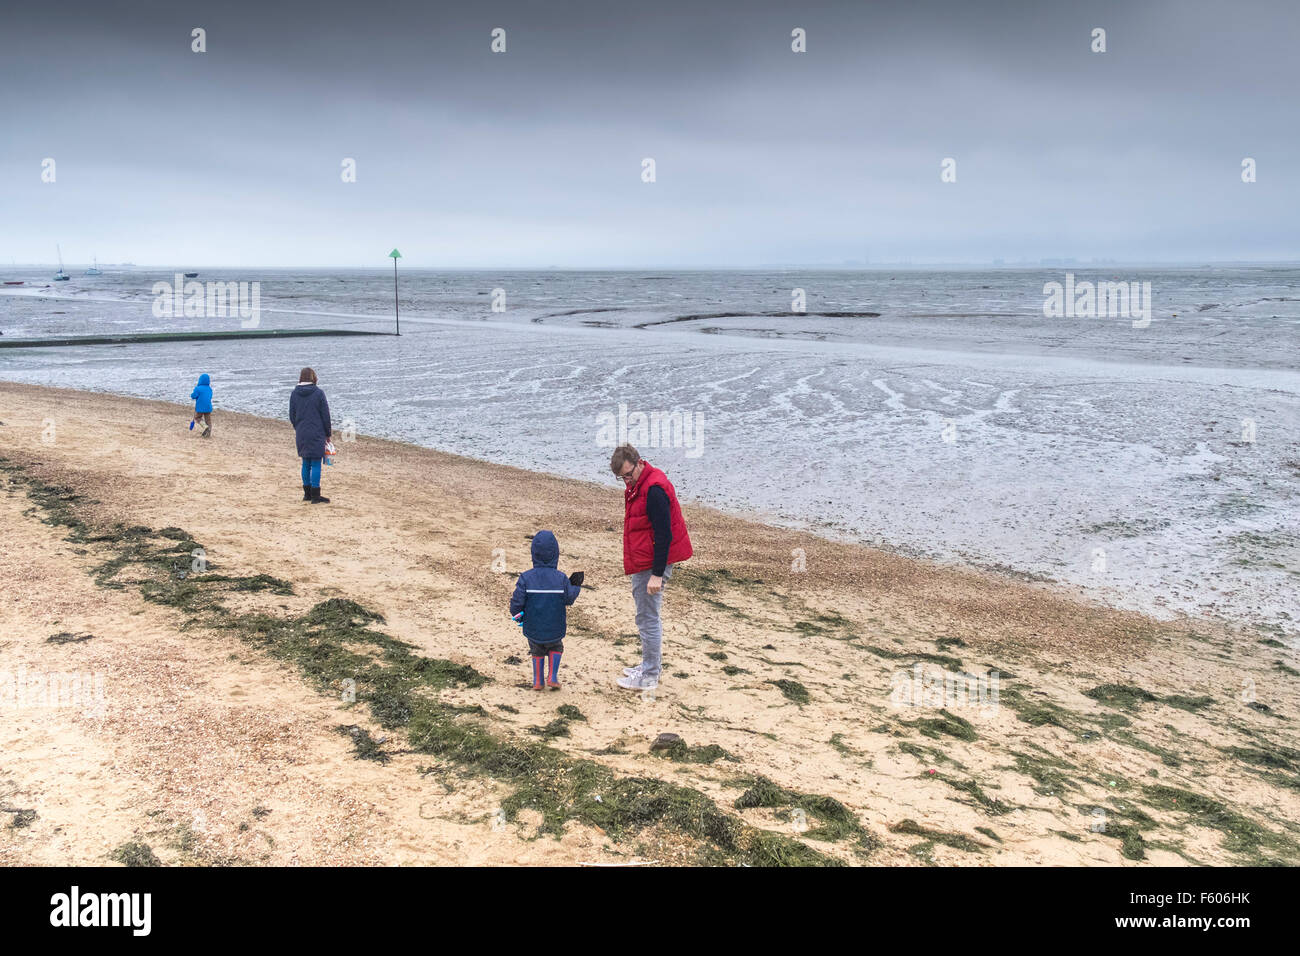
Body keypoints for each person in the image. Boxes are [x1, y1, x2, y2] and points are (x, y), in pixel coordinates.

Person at [611, 444, 692, 690]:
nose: (626, 481)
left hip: (652, 564)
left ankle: (649, 676)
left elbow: (664, 534)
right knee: (645, 616)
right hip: (644, 559)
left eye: (628, 474)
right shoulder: (640, 484)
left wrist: (656, 574)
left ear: (639, 463)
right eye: (621, 478)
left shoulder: (654, 490)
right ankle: (648, 665)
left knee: (647, 618)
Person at [509, 530, 583, 690]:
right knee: (556, 647)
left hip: (533, 627)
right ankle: (552, 676)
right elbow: (569, 598)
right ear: (555, 554)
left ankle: (537, 681)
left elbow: (517, 601)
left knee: (536, 650)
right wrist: (576, 585)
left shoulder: (526, 578)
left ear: (533, 554)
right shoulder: (561, 578)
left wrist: (516, 615)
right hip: (555, 627)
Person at [289, 367, 332, 504]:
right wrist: (328, 433)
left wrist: (298, 427)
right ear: (313, 377)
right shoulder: (318, 393)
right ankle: (315, 495)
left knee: (305, 462)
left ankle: (307, 494)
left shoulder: (294, 394)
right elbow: (325, 415)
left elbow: (292, 415)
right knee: (315, 463)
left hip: (301, 432)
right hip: (316, 432)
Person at [190, 373, 213, 438]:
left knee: (197, 418)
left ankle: (205, 427)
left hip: (200, 407)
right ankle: (208, 434)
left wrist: (193, 394)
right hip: (208, 407)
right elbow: (210, 396)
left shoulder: (198, 388)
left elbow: (193, 396)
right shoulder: (209, 389)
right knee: (208, 420)